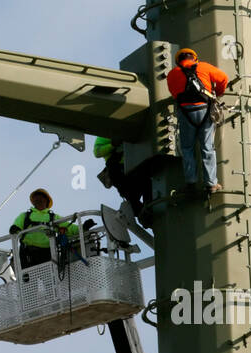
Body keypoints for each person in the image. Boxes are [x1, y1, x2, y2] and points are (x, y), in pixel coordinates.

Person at [166, 48, 228, 193]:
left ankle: (191, 182)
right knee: (207, 147)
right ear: (194, 58)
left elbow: (174, 93)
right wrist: (218, 92)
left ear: (178, 61)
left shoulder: (172, 74)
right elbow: (223, 78)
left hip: (186, 114)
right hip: (205, 111)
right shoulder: (204, 67)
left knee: (187, 148)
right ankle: (211, 184)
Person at [9, 189, 91, 277]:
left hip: (46, 253)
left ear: (46, 201)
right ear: (33, 201)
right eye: (36, 197)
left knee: (49, 282)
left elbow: (69, 228)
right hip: (26, 253)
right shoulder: (24, 216)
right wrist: (14, 228)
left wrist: (83, 227)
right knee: (28, 283)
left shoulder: (53, 217)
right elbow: (16, 227)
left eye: (41, 197)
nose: (38, 199)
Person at [93, 136, 153, 226]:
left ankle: (149, 209)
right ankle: (145, 216)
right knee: (132, 198)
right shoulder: (105, 134)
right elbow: (97, 152)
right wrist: (112, 144)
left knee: (147, 185)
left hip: (135, 167)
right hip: (119, 171)